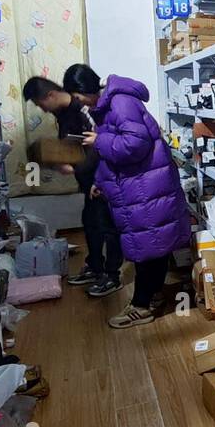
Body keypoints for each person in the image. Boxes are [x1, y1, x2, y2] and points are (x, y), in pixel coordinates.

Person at [84, 74, 191, 328]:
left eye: (79, 97)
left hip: (146, 186)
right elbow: (112, 156)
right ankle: (153, 296)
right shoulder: (108, 106)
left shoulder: (120, 102)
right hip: (140, 185)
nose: (81, 104)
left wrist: (99, 140)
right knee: (153, 243)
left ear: (86, 89)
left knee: (147, 246)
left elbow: (135, 144)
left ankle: (141, 306)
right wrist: (100, 181)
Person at [22, 67, 125, 298]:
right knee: (91, 223)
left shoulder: (83, 108)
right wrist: (61, 161)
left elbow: (99, 146)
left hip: (101, 179)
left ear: (50, 95)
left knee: (108, 228)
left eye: (40, 104)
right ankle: (95, 266)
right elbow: (75, 146)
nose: (42, 109)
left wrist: (79, 169)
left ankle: (112, 275)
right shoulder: (62, 113)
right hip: (87, 180)